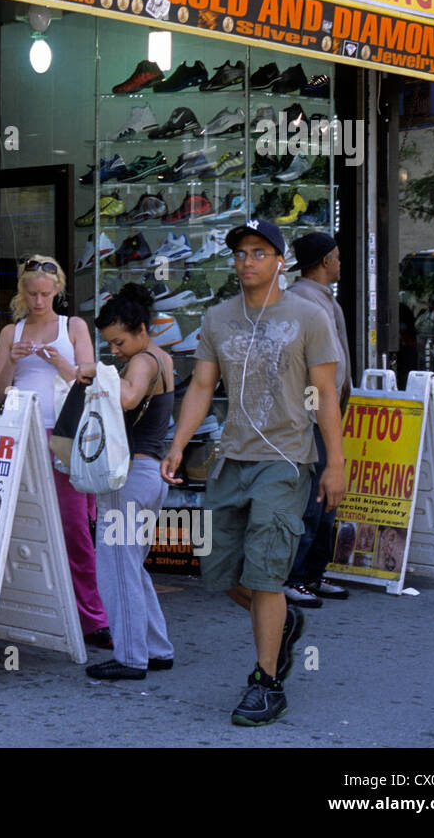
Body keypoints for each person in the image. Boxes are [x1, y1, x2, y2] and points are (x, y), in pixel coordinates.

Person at [161, 219, 344, 726]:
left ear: (280, 261)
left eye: (259, 252)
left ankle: (266, 683)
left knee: (265, 574)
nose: (247, 261)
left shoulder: (309, 316)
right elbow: (201, 386)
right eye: (241, 252)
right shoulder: (217, 317)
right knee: (219, 572)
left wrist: (336, 462)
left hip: (286, 461)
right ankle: (283, 624)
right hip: (231, 459)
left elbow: (326, 394)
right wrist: (177, 445)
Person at [0, 255, 110, 646]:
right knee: (20, 521)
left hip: (63, 432)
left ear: (57, 290)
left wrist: (61, 362)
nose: (39, 300)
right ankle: (22, 608)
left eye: (45, 293)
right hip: (21, 430)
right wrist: (11, 361)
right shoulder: (12, 331)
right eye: (32, 293)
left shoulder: (73, 326)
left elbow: (90, 380)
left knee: (74, 526)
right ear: (22, 292)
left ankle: (93, 617)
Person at [78, 283, 175, 680]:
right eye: (109, 345)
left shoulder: (143, 361)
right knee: (132, 567)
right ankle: (156, 648)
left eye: (118, 342)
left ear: (140, 329)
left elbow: (130, 397)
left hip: (129, 478)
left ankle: (132, 657)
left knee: (117, 568)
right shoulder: (163, 357)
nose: (114, 350)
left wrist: (97, 373)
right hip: (148, 475)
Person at [283, 233, 354, 607]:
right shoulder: (297, 300)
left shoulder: (321, 299)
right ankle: (294, 577)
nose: (341, 263)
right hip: (308, 417)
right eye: (338, 257)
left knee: (328, 498)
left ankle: (313, 574)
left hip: (325, 416)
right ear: (325, 260)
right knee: (311, 500)